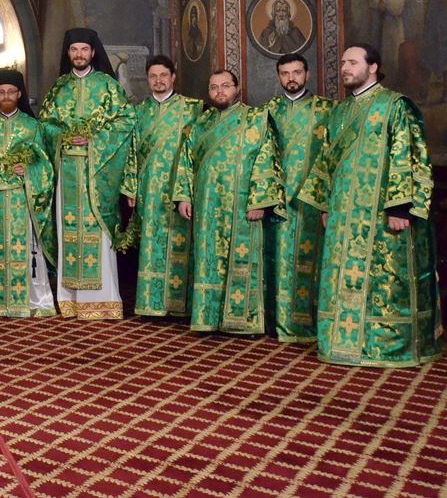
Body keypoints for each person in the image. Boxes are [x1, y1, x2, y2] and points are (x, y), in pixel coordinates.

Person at [298, 44, 441, 367]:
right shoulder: (340, 112)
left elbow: (409, 155)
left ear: (373, 67)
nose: (346, 68)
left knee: (385, 277)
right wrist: (323, 203)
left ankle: (386, 345)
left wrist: (400, 207)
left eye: (353, 62)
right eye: (344, 63)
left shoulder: (394, 106)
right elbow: (326, 160)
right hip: (344, 210)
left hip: (381, 210)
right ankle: (344, 341)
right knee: (343, 275)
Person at [174, 70, 284, 334]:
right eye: (213, 87)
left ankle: (241, 321)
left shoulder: (256, 119)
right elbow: (185, 163)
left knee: (241, 259)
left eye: (225, 86)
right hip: (207, 204)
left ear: (237, 88)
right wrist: (184, 196)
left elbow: (267, 159)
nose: (219, 91)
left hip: (241, 205)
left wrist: (259, 201)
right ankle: (207, 318)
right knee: (208, 259)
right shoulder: (199, 124)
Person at [38, 28, 135, 320]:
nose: (79, 55)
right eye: (73, 50)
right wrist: (64, 137)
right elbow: (45, 126)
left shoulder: (108, 86)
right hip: (66, 170)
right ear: (67, 54)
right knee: (68, 233)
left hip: (97, 175)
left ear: (93, 53)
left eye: (84, 49)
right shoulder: (59, 88)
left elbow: (126, 121)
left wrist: (95, 140)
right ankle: (71, 302)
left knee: (97, 233)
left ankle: (103, 302)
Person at [121, 55, 204, 317]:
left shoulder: (193, 108)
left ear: (173, 77)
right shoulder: (138, 111)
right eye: (153, 76)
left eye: (163, 75)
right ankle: (151, 303)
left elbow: (198, 152)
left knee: (181, 243)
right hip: (149, 191)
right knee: (151, 245)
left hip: (180, 188)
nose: (158, 81)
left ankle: (179, 305)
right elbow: (131, 151)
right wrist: (131, 187)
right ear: (147, 79)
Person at [0, 68, 56, 317]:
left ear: (19, 94)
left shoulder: (32, 127)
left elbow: (46, 165)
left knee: (27, 250)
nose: (6, 96)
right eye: (1, 92)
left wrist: (28, 170)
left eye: (11, 92)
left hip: (23, 198)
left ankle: (33, 300)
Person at [263, 53, 334, 343]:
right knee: (277, 260)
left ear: (307, 73)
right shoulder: (268, 111)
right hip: (277, 200)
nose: (291, 78)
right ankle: (276, 323)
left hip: (311, 201)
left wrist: (327, 201)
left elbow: (333, 158)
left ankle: (311, 326)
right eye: (285, 73)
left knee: (311, 262)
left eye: (296, 72)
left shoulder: (328, 110)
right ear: (278, 76)